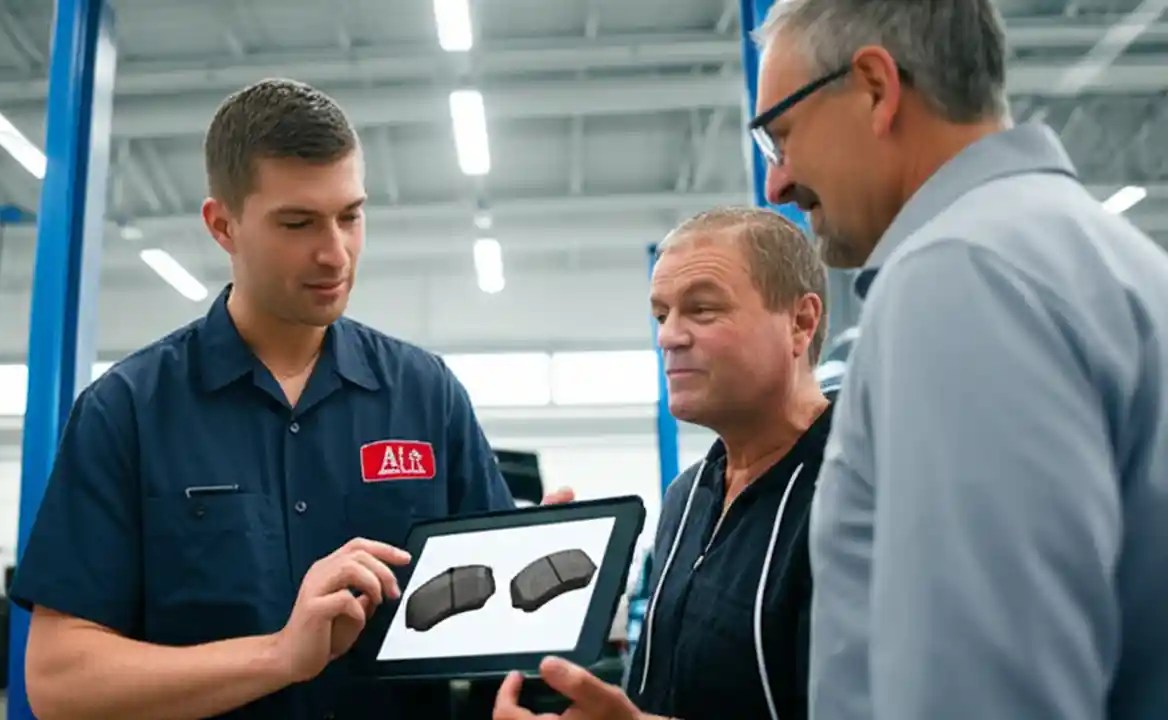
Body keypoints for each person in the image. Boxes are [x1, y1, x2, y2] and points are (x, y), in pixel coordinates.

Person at [10, 78, 570, 720]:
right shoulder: (128, 411)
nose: (335, 253)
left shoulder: (426, 395)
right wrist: (279, 656)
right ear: (223, 225)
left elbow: (497, 628)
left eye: (351, 216)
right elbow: (58, 682)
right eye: (298, 223)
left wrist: (550, 572)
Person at [751, 2, 1168, 718]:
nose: (777, 185)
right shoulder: (1111, 260)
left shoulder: (960, 276)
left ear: (876, 88)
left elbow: (988, 696)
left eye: (782, 137)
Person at [495, 207, 834, 720]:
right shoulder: (687, 496)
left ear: (800, 323)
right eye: (661, 314)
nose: (668, 337)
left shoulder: (856, 494)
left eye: (702, 309)